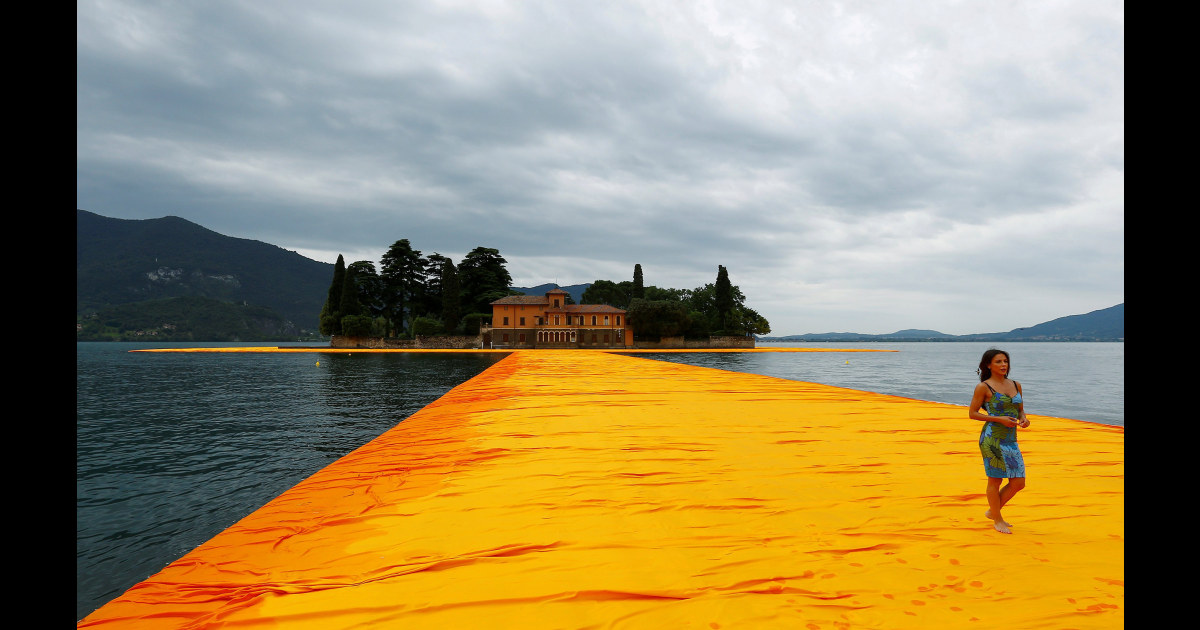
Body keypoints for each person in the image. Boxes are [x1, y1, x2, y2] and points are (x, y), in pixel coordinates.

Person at [968, 348, 1029, 534]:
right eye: (998, 362)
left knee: (1018, 482)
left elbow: (1020, 409)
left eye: (1005, 361)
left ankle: (993, 511)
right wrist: (998, 419)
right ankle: (997, 519)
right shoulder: (984, 387)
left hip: (1011, 439)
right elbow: (973, 413)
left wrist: (1024, 419)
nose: (1003, 365)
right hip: (992, 439)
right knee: (995, 480)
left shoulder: (1016, 385)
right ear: (988, 365)